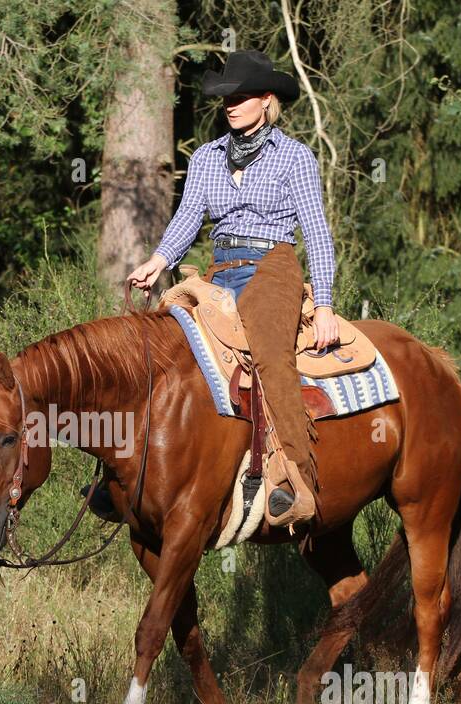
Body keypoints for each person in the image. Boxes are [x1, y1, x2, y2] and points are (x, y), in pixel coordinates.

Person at [128, 49, 337, 528]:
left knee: (268, 350)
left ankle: (294, 481)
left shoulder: (294, 156)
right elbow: (187, 218)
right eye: (226, 98)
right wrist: (158, 261)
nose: (231, 105)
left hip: (273, 266)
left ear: (267, 101)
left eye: (241, 97)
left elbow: (318, 234)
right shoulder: (206, 157)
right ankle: (129, 473)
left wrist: (323, 304)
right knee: (161, 340)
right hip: (220, 268)